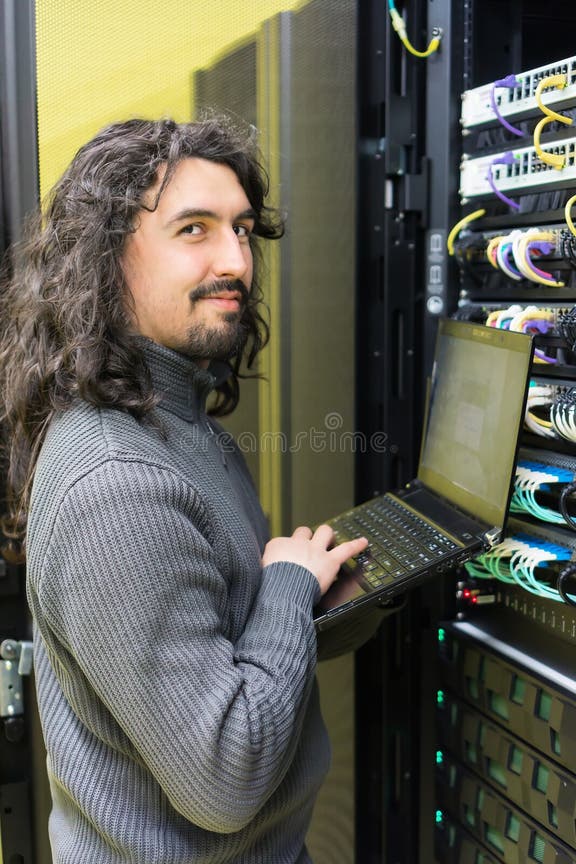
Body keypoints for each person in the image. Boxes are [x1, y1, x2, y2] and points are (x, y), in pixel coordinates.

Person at [0, 116, 368, 863]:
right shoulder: (119, 485)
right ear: (105, 260)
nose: (235, 259)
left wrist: (317, 601)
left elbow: (224, 643)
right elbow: (225, 780)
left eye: (241, 229)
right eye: (193, 230)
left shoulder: (181, 425)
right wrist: (289, 585)